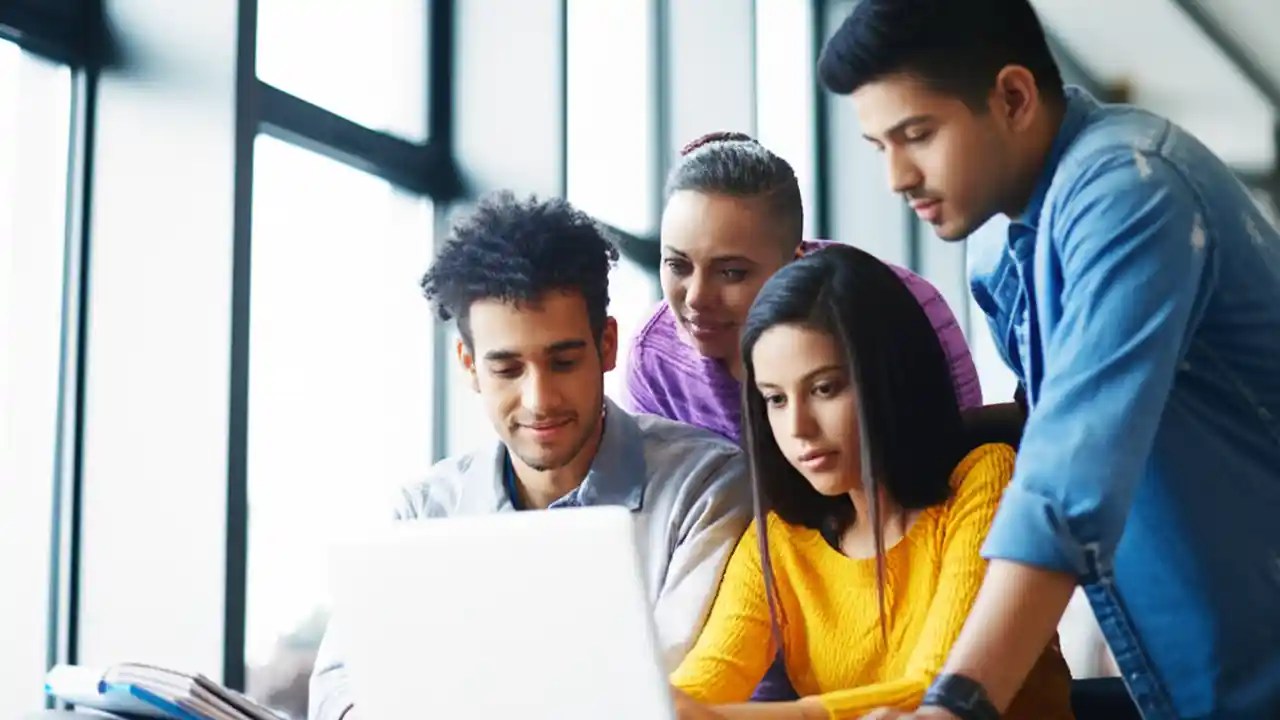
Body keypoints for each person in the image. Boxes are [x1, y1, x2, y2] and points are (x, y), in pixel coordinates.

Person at [817, 0, 1280, 718]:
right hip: (1198, 682)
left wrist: (955, 705)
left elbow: (1066, 479)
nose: (897, 178)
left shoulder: (1129, 191)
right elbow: (1047, 429)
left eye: (918, 135)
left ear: (1012, 97)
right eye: (880, 147)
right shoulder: (1003, 243)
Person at [308, 193, 753, 720]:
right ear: (469, 365)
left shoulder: (705, 488)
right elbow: (338, 692)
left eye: (563, 361)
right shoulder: (424, 511)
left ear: (606, 345)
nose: (540, 399)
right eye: (507, 369)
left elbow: (660, 694)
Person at [668, 245, 1073, 720]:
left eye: (824, 389)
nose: (797, 426)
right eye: (775, 399)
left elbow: (937, 693)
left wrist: (716, 717)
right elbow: (697, 689)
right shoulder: (780, 542)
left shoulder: (984, 479)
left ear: (889, 377)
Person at [624, 131, 983, 446]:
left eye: (731, 273)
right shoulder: (655, 355)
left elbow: (957, 462)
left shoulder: (904, 308)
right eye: (677, 265)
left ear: (795, 261)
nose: (697, 297)